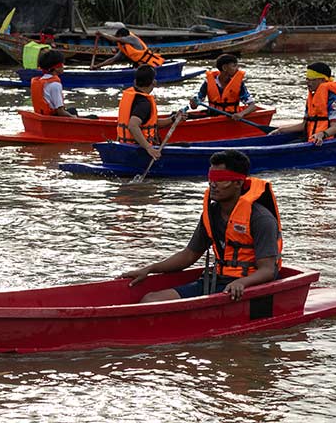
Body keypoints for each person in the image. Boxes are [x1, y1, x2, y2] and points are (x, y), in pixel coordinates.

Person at [121, 150, 281, 302]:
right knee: (150, 299)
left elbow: (268, 270)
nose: (213, 185)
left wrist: (242, 283)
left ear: (239, 183)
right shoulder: (211, 213)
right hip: (216, 280)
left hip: (244, 287)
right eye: (211, 179)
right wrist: (149, 269)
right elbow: (189, 255)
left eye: (221, 179)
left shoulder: (261, 218)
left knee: (152, 301)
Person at [117, 65, 186, 160]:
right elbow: (133, 126)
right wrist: (149, 148)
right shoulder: (144, 103)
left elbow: (151, 123)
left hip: (125, 147)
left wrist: (173, 119)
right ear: (154, 82)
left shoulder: (132, 96)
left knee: (182, 145)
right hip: (138, 151)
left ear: (135, 82)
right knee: (184, 145)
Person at [275, 62, 336, 145]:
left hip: (329, 140)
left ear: (323, 80)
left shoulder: (333, 100)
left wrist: (322, 134)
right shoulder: (312, 98)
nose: (308, 82)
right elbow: (304, 125)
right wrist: (281, 130)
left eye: (312, 80)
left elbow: (335, 128)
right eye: (307, 79)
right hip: (312, 139)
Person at [191, 53, 253, 118]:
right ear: (224, 68)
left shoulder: (239, 84)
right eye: (234, 66)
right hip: (213, 117)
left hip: (232, 118)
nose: (237, 69)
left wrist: (241, 114)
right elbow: (195, 105)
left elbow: (252, 106)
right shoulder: (208, 82)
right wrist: (194, 103)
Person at [94, 24, 165, 69]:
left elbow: (114, 38)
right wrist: (97, 66)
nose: (119, 40)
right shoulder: (124, 48)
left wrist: (101, 34)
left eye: (120, 38)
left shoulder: (132, 39)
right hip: (141, 66)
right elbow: (112, 59)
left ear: (124, 37)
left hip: (151, 65)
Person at [30, 48, 74, 117]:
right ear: (56, 68)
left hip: (43, 115)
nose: (63, 67)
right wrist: (73, 117)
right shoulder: (55, 85)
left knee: (72, 110)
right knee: (92, 117)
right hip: (52, 118)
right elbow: (60, 112)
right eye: (62, 64)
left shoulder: (41, 80)